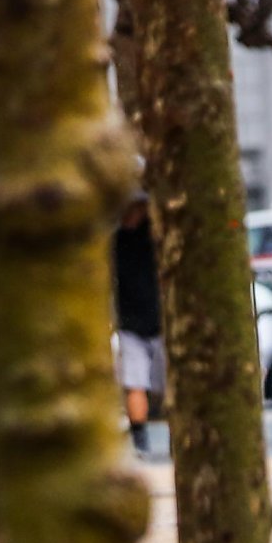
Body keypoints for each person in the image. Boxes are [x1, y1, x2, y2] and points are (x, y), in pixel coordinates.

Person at [111, 194, 165, 455]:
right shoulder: (119, 240)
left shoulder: (150, 237)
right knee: (135, 382)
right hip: (133, 323)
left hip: (154, 321)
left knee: (151, 383)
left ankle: (150, 437)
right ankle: (140, 437)